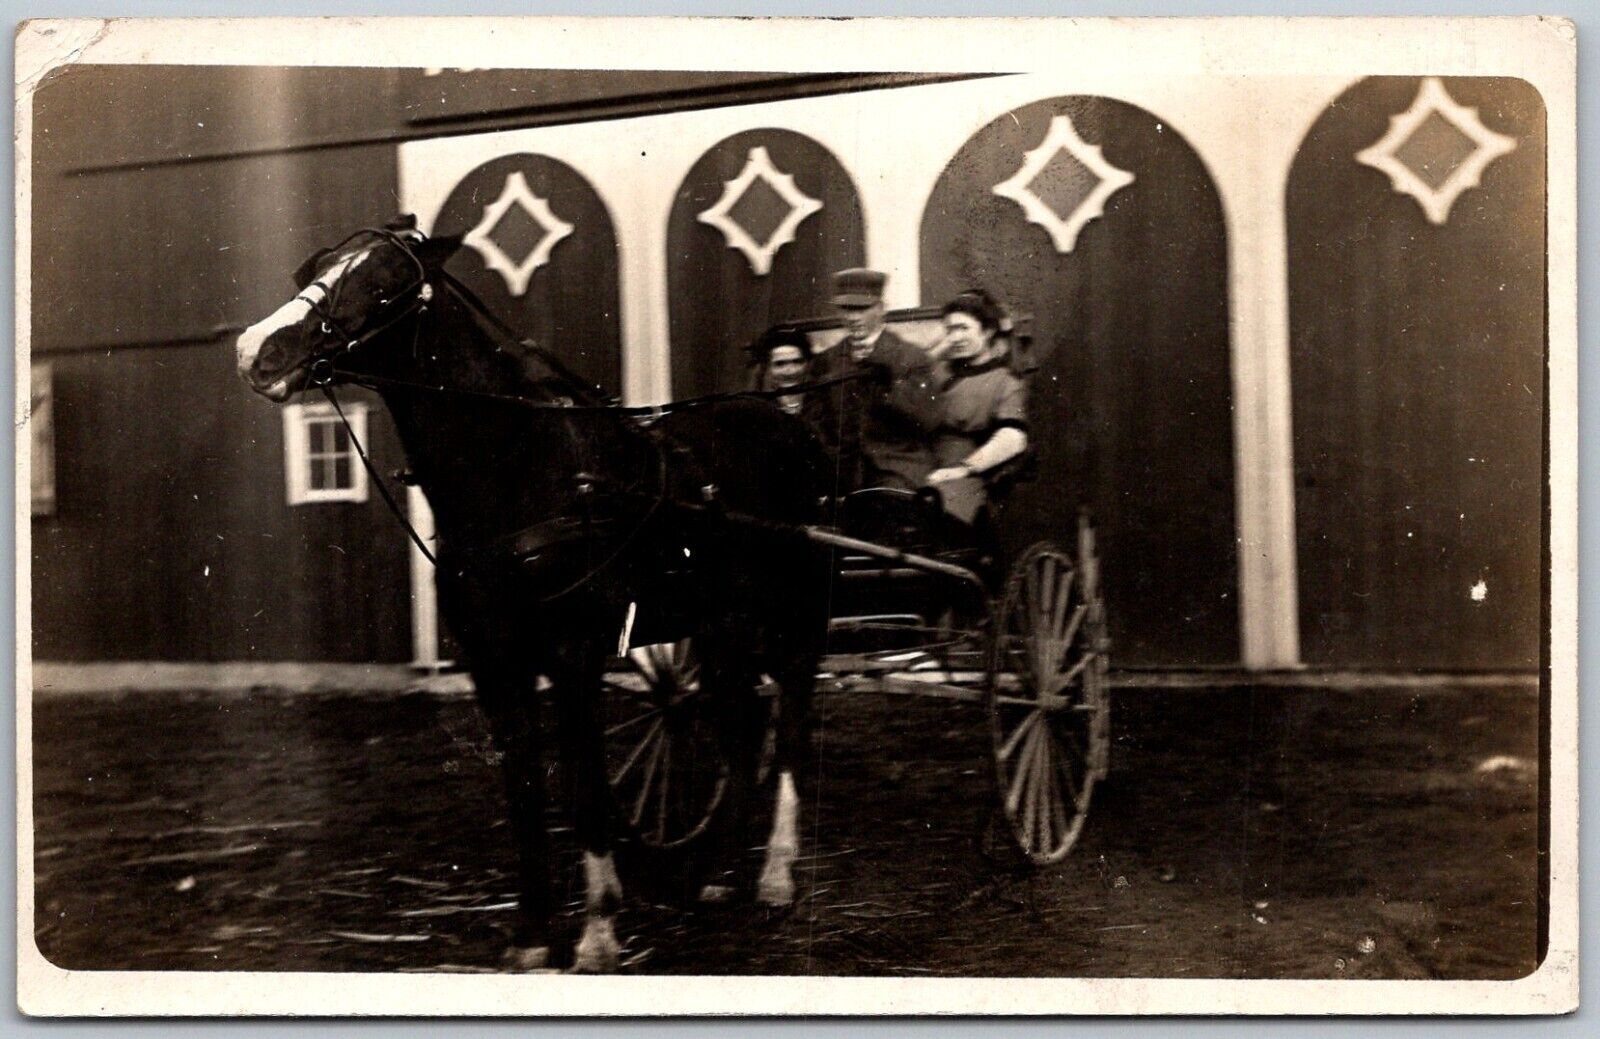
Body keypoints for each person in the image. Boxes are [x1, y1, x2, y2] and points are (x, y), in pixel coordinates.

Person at [809, 268, 941, 493]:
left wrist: (886, 387)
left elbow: (927, 420)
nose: (853, 318)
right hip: (841, 471)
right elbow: (815, 420)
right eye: (846, 309)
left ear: (881, 308)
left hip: (897, 467)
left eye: (862, 308)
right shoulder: (826, 361)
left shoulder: (910, 357)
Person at [923, 289, 1030, 525]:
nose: (956, 337)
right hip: (920, 461)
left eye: (964, 328)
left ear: (988, 331)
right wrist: (940, 350)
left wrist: (965, 468)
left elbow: (1012, 437)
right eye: (950, 329)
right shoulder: (938, 372)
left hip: (966, 474)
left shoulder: (1005, 381)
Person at [750, 325, 816, 420]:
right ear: (767, 368)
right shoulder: (757, 406)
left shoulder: (824, 401)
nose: (790, 371)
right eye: (780, 364)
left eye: (797, 362)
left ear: (808, 364)